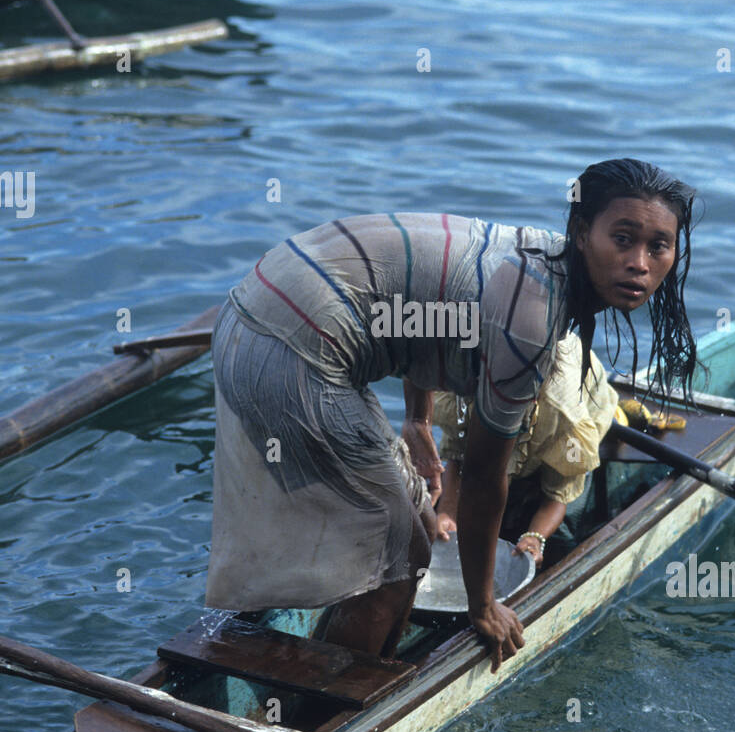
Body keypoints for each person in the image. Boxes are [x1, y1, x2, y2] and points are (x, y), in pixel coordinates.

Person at [205, 159, 698, 672]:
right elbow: (485, 478)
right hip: (287, 348)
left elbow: (423, 308)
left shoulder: (529, 255)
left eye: (658, 247)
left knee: (414, 521)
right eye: (622, 239)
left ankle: (343, 664)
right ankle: (325, 708)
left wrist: (418, 420)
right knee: (396, 562)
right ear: (579, 233)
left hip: (260, 308)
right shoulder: (530, 320)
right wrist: (481, 606)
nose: (639, 262)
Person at [431, 333, 620, 568]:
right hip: (519, 410)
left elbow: (556, 496)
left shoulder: (562, 414)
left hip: (584, 405)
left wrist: (534, 537)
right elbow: (458, 452)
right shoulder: (465, 380)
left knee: (565, 529)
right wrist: (448, 511)